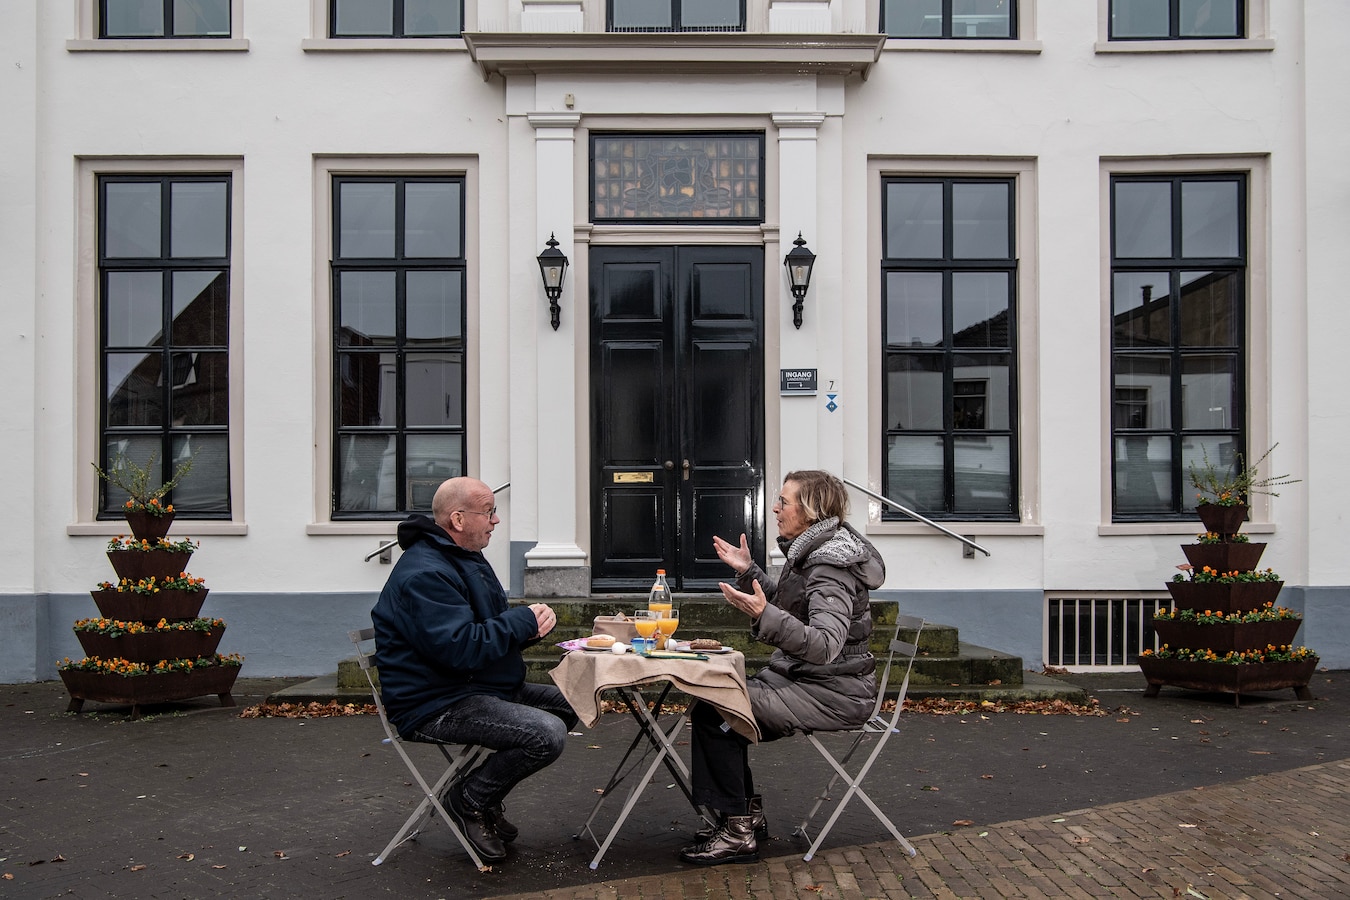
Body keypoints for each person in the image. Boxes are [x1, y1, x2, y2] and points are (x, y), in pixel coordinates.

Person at [680, 469, 885, 866]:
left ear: (809, 512)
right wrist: (748, 573)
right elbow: (795, 610)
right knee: (720, 709)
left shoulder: (830, 567)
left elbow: (825, 645)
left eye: (784, 502)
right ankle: (745, 817)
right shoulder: (810, 553)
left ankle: (738, 828)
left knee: (716, 711)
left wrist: (764, 614)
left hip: (833, 693)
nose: (775, 508)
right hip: (812, 682)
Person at [371, 476, 578, 863]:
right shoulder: (426, 573)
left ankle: (486, 794)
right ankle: (469, 799)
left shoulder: (461, 558)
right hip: (435, 702)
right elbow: (459, 649)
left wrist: (527, 630)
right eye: (490, 512)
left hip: (473, 685)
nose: (496, 521)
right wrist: (520, 622)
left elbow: (482, 630)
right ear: (459, 519)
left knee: (573, 704)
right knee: (545, 732)